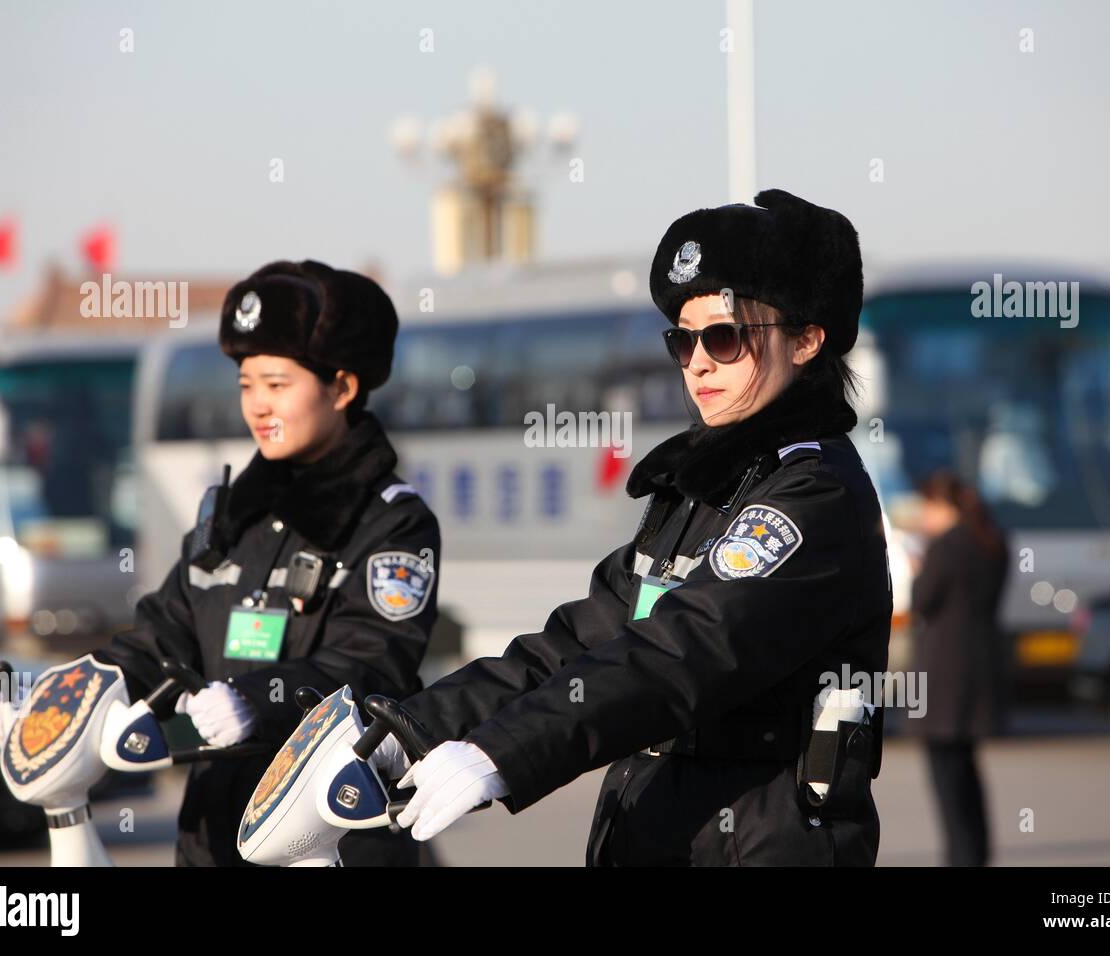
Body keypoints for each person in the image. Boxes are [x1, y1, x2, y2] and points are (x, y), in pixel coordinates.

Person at [369, 189, 894, 865]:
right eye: (683, 339)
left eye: (725, 336)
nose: (698, 361)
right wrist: (415, 728)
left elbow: (683, 650)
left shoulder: (811, 493)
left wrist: (503, 753)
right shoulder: (704, 486)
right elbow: (578, 645)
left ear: (806, 339)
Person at [0, 259, 441, 867]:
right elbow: (161, 637)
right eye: (246, 384)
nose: (257, 405)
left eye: (277, 384)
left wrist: (258, 699)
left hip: (330, 835)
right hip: (214, 835)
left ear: (342, 386)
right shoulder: (232, 514)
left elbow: (373, 663)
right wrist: (70, 697)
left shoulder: (392, 522)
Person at [908, 469, 1010, 866]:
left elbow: (921, 600)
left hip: (943, 674)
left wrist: (918, 570)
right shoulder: (993, 540)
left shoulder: (946, 546)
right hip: (982, 663)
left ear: (942, 505)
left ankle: (959, 858)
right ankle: (976, 855)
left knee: (947, 781)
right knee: (968, 771)